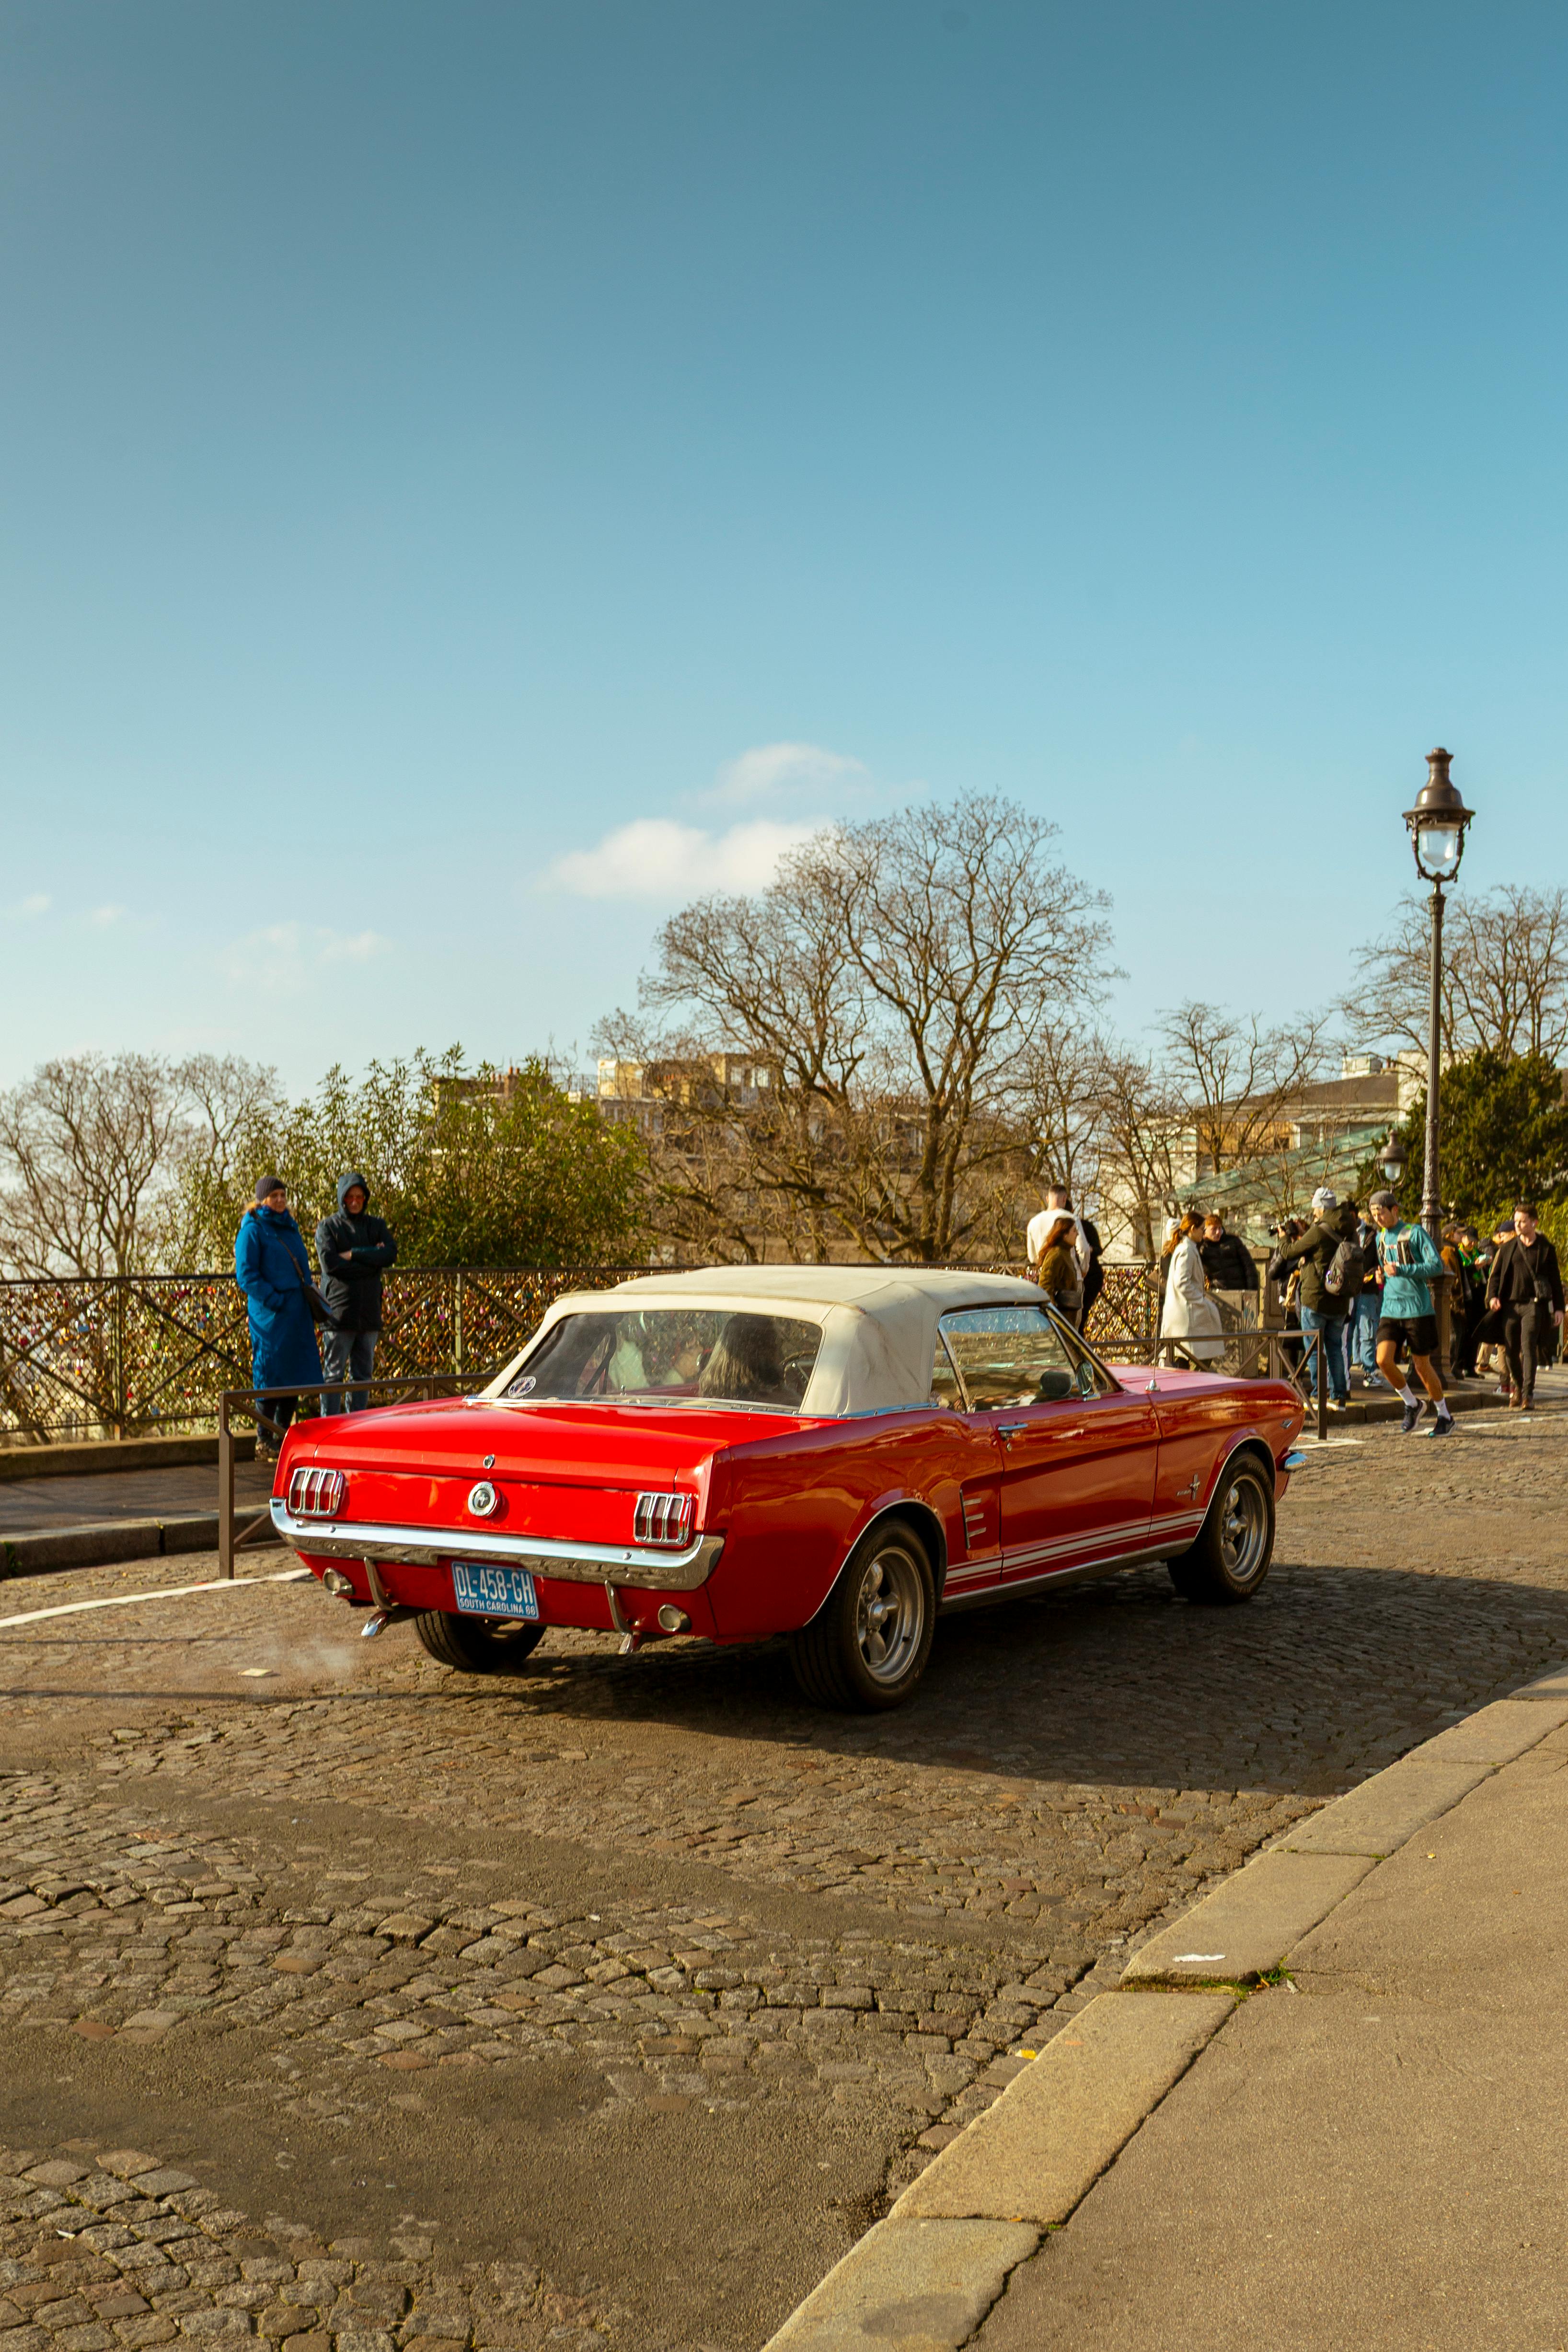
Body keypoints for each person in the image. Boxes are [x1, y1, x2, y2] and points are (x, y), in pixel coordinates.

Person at [234, 1175, 322, 1458]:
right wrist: (274, 1299)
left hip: (296, 1313)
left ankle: (284, 1436)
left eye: (283, 1195)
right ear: (262, 1200)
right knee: (270, 1375)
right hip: (271, 1316)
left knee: (295, 1375)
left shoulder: (290, 1227)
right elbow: (246, 1275)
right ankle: (264, 1437)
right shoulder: (253, 1229)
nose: (280, 1200)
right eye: (274, 1196)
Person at [1369, 1189, 1454, 1436]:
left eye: (1381, 1213)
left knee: (1422, 1366)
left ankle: (1444, 1415)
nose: (1378, 1218)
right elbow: (1387, 1270)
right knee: (1383, 1360)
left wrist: (1402, 1269)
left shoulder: (1415, 1233)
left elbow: (1436, 1265)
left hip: (1417, 1309)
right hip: (1391, 1308)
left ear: (1395, 1210)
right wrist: (1381, 1275)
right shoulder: (1380, 1238)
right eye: (1374, 1214)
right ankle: (1412, 1404)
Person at [1268, 1188, 1357, 1412]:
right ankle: (1339, 1396)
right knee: (1335, 1347)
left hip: (1316, 1298)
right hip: (1340, 1298)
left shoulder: (1319, 1231)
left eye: (1315, 1208)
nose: (1313, 1213)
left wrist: (1283, 1237)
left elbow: (1289, 1252)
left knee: (1314, 1350)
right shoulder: (1350, 1229)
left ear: (1320, 1208)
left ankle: (1319, 1394)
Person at [315, 1171, 398, 1412]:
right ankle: (328, 1428)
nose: (354, 1201)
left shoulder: (376, 1225)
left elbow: (390, 1254)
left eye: (359, 1197)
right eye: (350, 1196)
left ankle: (356, 1428)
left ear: (365, 1198)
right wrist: (372, 1259)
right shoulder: (328, 1227)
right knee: (333, 1376)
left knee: (363, 1376)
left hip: (369, 1313)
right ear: (342, 1198)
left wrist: (354, 1255)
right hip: (338, 1315)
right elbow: (330, 1264)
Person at [1486, 1201, 1565, 1411]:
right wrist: (1492, 1297)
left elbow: (1555, 1280)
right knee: (1510, 1351)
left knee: (1529, 1347)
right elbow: (1495, 1276)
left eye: (1522, 1221)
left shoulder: (1546, 1248)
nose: (1518, 1225)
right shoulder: (1508, 1247)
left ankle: (1528, 1394)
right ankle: (1518, 1387)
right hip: (1510, 1306)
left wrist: (1559, 1308)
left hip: (1534, 1305)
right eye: (1516, 1221)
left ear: (1534, 1222)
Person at [1159, 1211, 1224, 1368]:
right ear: (1193, 1229)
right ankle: (1194, 1386)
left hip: (1182, 1315)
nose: (1204, 1233)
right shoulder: (1187, 1250)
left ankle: (1190, 1386)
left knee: (1185, 1358)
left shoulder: (1186, 1248)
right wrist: (1200, 1300)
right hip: (1186, 1315)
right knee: (1200, 1355)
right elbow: (1182, 1282)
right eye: (1202, 1229)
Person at [1026, 1185, 1099, 1326]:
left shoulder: (1034, 1222)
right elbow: (1083, 1249)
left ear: (1048, 1199)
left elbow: (1033, 1257)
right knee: (1073, 1326)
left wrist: (1043, 1260)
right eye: (1074, 1232)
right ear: (1065, 1199)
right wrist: (1084, 1269)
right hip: (1070, 1278)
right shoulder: (1070, 1219)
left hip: (1046, 1275)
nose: (1076, 1233)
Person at [1346, 1200, 1392, 1391]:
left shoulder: (1373, 1235)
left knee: (1367, 1332)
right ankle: (1344, 1371)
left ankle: (1369, 1372)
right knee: (1346, 1333)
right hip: (1348, 1290)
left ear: (1355, 1215)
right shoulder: (1342, 1235)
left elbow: (1381, 1261)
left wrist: (1372, 1274)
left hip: (1367, 1289)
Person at [1199, 1210, 1259, 1329]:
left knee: (1244, 1329)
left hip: (1241, 1293)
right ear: (1205, 1231)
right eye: (1214, 1229)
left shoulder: (1233, 1241)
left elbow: (1250, 1267)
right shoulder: (1202, 1247)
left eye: (1220, 1228)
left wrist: (1252, 1292)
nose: (1218, 1232)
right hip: (1219, 1295)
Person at [1032, 1213, 1083, 1320]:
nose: (1077, 1234)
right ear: (1065, 1235)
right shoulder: (1056, 1255)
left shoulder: (1065, 1253)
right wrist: (1054, 1315)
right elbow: (1045, 1286)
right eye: (1074, 1231)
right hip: (1060, 1321)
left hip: (1067, 1319)